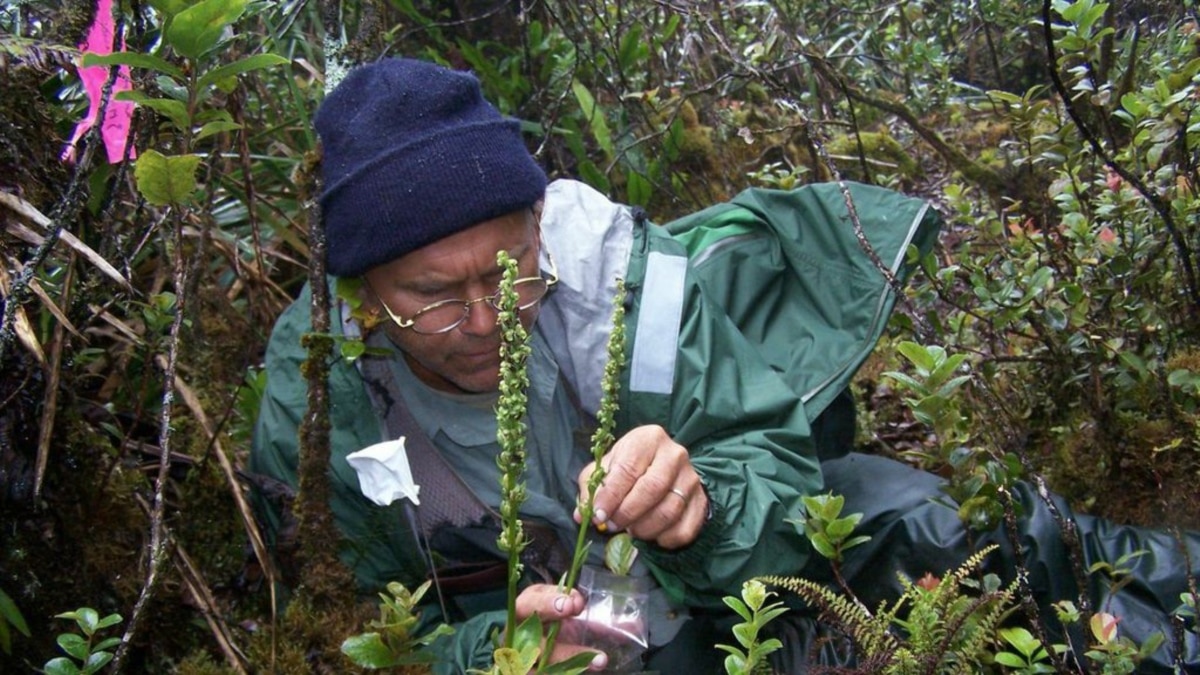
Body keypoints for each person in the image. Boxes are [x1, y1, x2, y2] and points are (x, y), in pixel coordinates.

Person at [250, 57, 1199, 673]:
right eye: (433, 296)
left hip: (708, 574)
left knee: (927, 521)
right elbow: (352, 633)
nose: (484, 322)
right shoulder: (320, 411)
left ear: (538, 228)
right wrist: (493, 649)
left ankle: (1174, 595)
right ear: (362, 289)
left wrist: (701, 508)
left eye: (510, 273)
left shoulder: (622, 277)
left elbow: (769, 462)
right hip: (592, 638)